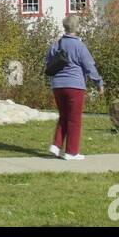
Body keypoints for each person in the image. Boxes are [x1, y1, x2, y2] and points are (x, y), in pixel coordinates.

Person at [44, 15, 103, 161]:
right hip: (75, 85)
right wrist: (99, 83)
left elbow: (48, 63)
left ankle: (56, 145)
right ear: (76, 27)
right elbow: (89, 67)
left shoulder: (56, 44)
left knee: (63, 116)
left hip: (57, 85)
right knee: (74, 119)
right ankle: (71, 152)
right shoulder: (79, 46)